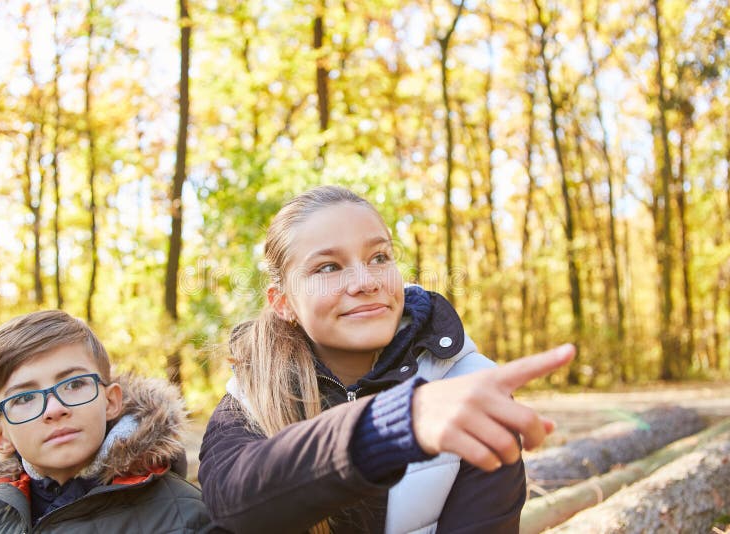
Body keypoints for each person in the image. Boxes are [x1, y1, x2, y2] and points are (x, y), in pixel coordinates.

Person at [198, 185, 575, 533]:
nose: (365, 281)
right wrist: (390, 426)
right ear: (283, 303)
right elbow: (231, 504)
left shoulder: (467, 387)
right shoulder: (249, 396)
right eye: (328, 267)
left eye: (379, 257)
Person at [0, 310, 213, 533]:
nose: (54, 409)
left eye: (74, 384)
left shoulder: (188, 521)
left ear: (110, 402)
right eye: (25, 398)